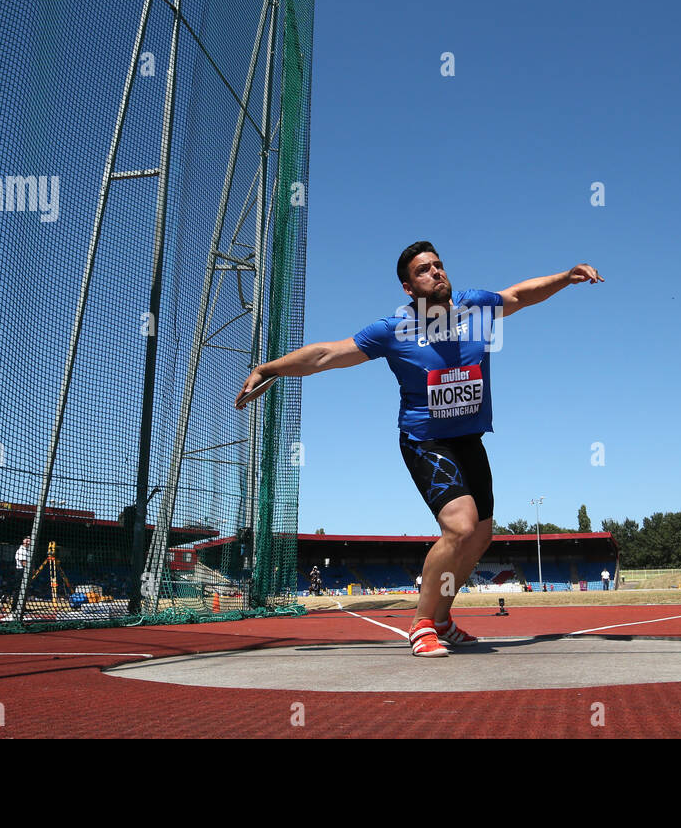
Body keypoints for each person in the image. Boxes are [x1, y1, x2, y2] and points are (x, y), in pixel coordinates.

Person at [237, 241, 603, 657]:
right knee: (461, 526)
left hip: (469, 438)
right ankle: (423, 623)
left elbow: (521, 294)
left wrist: (565, 276)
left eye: (439, 265)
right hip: (424, 440)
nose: (437, 272)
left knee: (481, 536)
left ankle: (443, 619)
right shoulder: (392, 330)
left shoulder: (475, 307)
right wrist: (269, 369)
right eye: (424, 270)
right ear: (409, 288)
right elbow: (325, 355)